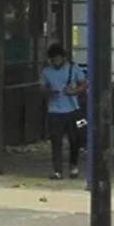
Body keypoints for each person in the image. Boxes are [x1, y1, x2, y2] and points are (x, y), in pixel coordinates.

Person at [40, 44, 89, 176]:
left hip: (73, 110)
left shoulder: (74, 68)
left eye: (57, 59)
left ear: (63, 58)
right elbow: (42, 87)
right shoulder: (46, 71)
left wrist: (75, 91)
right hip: (54, 111)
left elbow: (84, 83)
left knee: (75, 140)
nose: (55, 62)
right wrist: (49, 91)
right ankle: (57, 170)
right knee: (56, 142)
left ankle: (73, 165)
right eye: (53, 60)